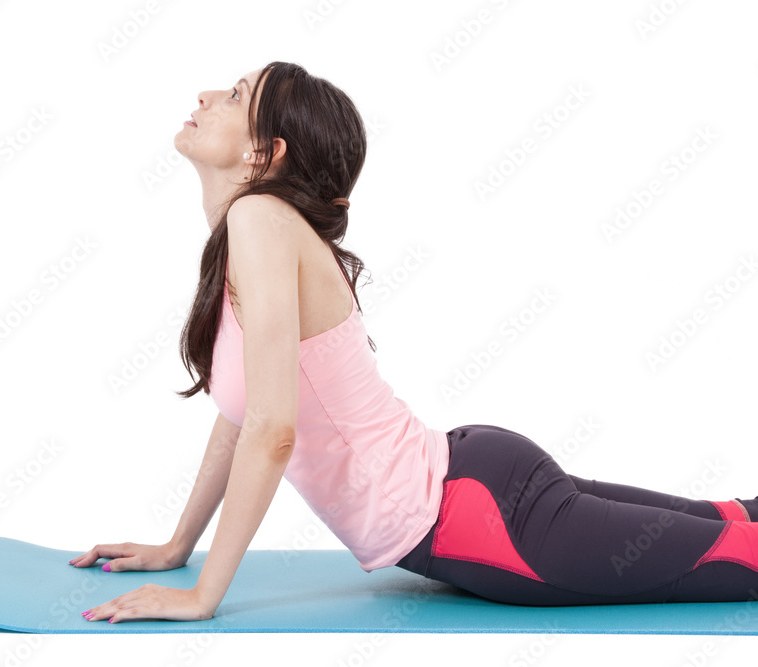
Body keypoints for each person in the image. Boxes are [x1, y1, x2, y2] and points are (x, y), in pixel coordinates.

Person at [68, 61, 758, 622]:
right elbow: (243, 415)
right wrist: (176, 545)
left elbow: (275, 430)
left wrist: (202, 595)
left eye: (235, 94)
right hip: (475, 483)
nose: (205, 93)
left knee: (737, 557)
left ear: (265, 152)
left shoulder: (258, 221)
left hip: (476, 515)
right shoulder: (250, 238)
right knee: (728, 522)